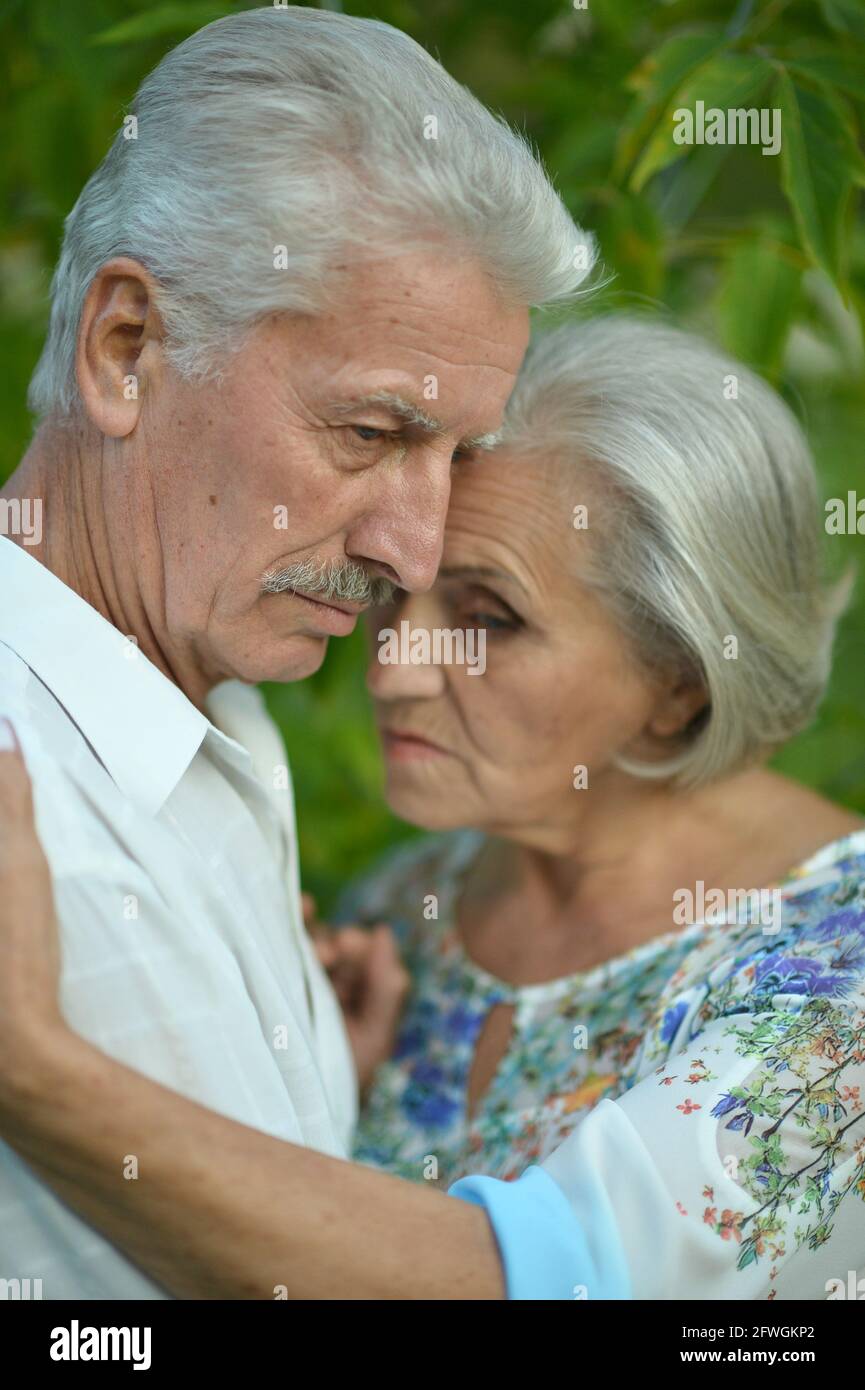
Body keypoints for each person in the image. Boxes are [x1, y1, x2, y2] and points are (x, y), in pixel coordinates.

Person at [1, 319, 863, 1300]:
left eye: (486, 619)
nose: (393, 671)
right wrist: (321, 1084)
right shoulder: (414, 905)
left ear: (681, 680)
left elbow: (534, 1287)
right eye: (392, 594)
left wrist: (34, 1065)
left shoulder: (838, 983)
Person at [0, 5, 591, 1298]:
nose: (415, 550)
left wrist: (310, 1088)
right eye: (372, 433)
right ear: (127, 349)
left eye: (455, 456)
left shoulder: (201, 694)